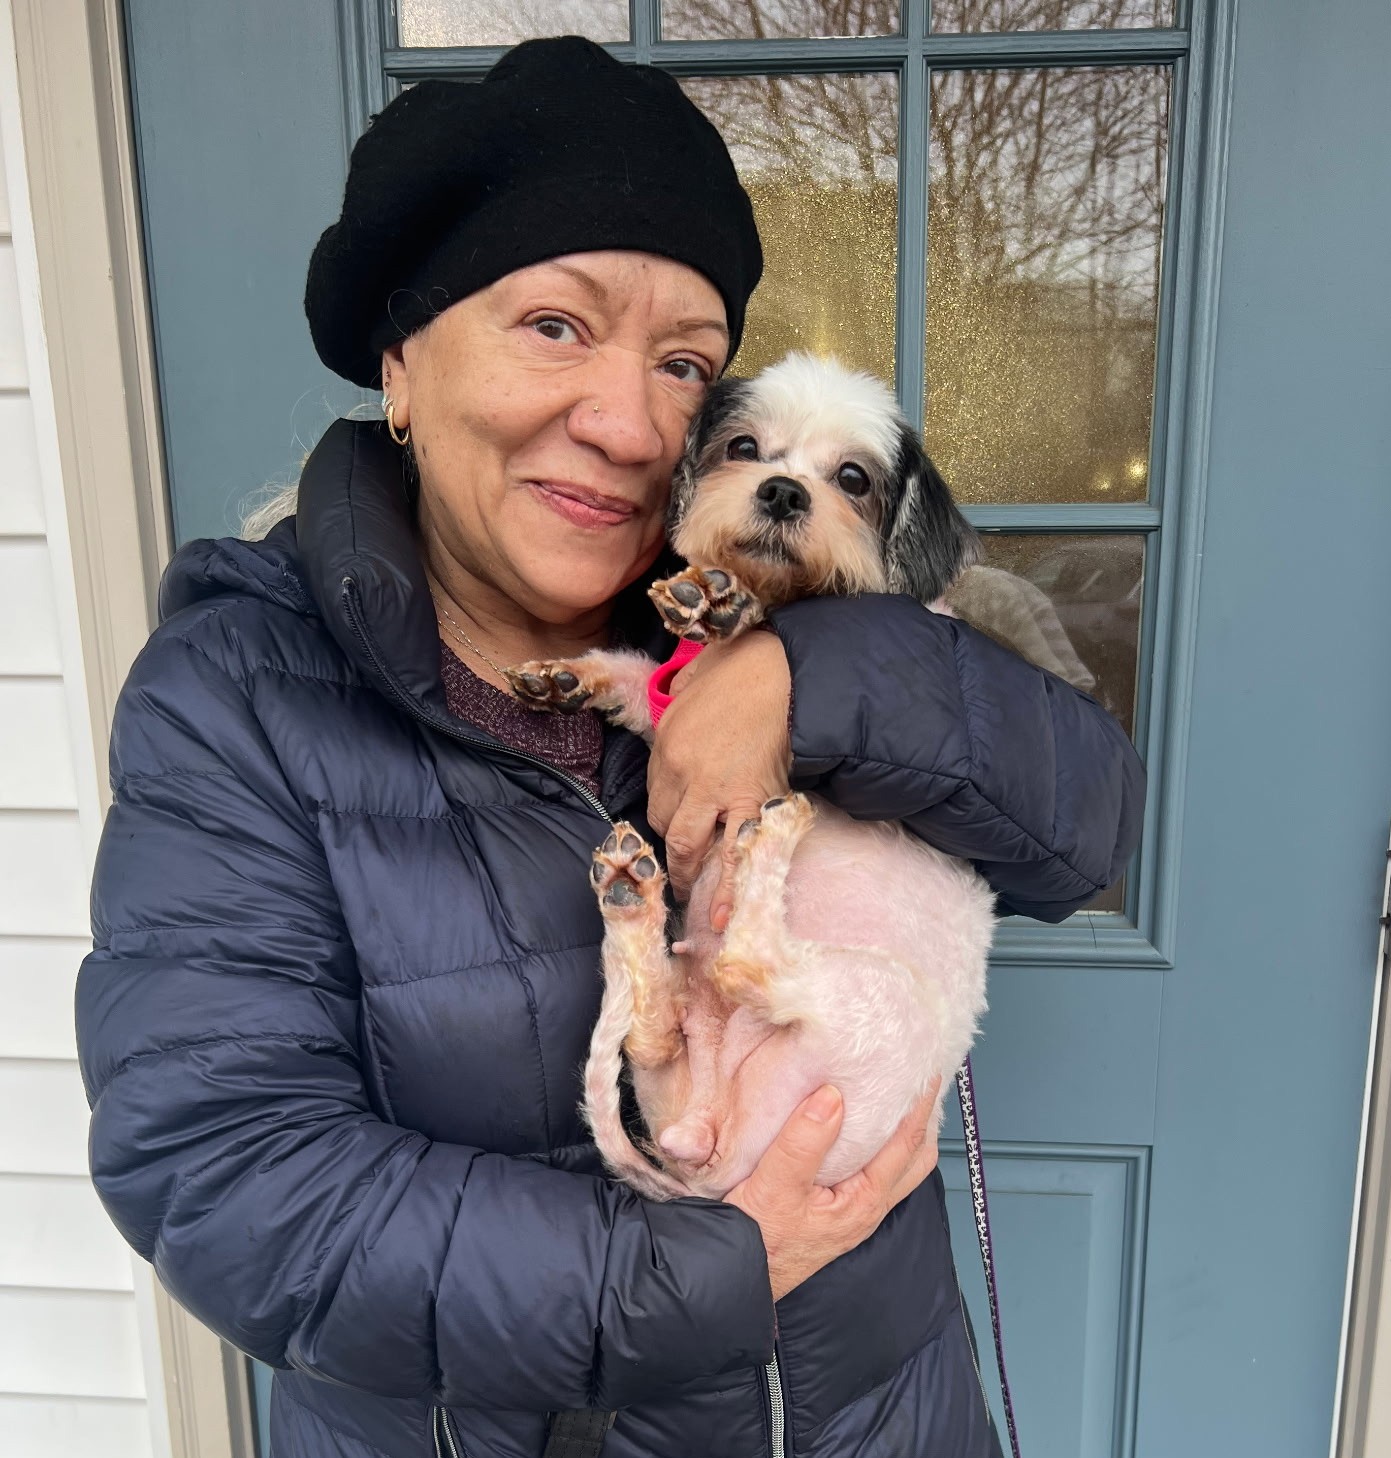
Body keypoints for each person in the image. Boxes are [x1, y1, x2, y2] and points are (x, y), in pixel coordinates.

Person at [76, 35, 1145, 1458]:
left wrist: (802, 681)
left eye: (683, 363)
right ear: (403, 361)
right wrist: (705, 1269)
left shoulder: (737, 608)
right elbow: (229, 1177)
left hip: (870, 1416)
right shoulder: (240, 691)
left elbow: (1083, 831)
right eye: (556, 327)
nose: (629, 422)